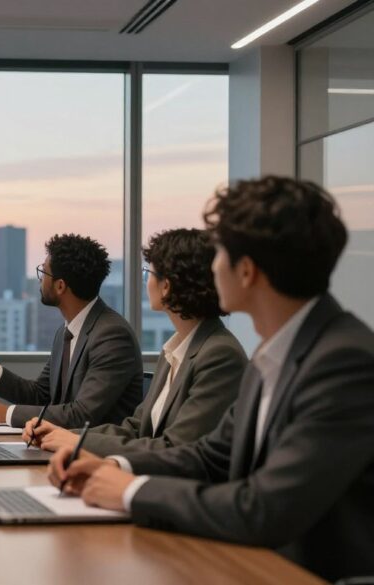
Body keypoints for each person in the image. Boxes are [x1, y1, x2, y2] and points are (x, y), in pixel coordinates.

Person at [48, 176, 374, 582]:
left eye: (218, 253)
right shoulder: (275, 353)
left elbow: (264, 509)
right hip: (248, 562)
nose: (209, 267)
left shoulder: (344, 362)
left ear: (247, 272)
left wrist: (130, 492)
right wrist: (111, 466)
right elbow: (208, 455)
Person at [27, 228, 247, 456]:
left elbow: (175, 448)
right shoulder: (175, 351)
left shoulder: (219, 355)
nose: (145, 282)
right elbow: (136, 428)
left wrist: (76, 443)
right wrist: (64, 436)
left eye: (148, 273)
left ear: (166, 286)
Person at [0, 233, 142, 428]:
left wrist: (6, 414)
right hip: (62, 446)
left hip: (95, 454)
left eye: (44, 272)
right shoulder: (66, 332)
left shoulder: (112, 336)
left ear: (60, 286)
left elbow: (82, 415)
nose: (40, 280)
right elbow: (40, 395)